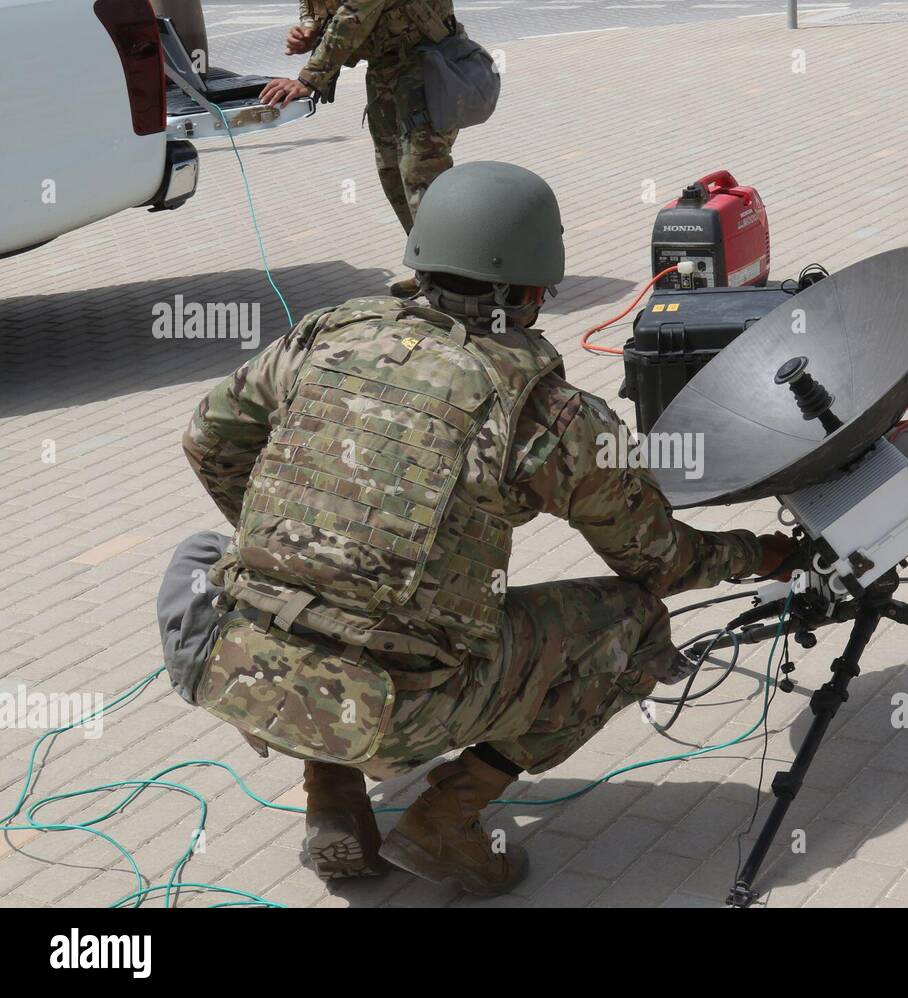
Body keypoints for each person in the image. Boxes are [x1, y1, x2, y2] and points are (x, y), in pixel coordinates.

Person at [173, 161, 797, 896]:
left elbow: (208, 439)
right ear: (531, 290)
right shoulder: (553, 416)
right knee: (631, 624)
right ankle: (447, 816)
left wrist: (295, 547)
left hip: (244, 667)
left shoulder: (326, 337)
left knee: (261, 577)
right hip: (401, 705)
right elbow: (659, 562)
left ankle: (332, 796)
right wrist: (761, 555)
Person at [259, 0, 461, 296]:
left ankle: (459, 282)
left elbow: (352, 16)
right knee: (391, 169)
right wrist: (309, 28)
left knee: (420, 172)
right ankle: (431, 270)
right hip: (384, 68)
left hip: (425, 62)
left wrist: (309, 79)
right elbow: (314, 5)